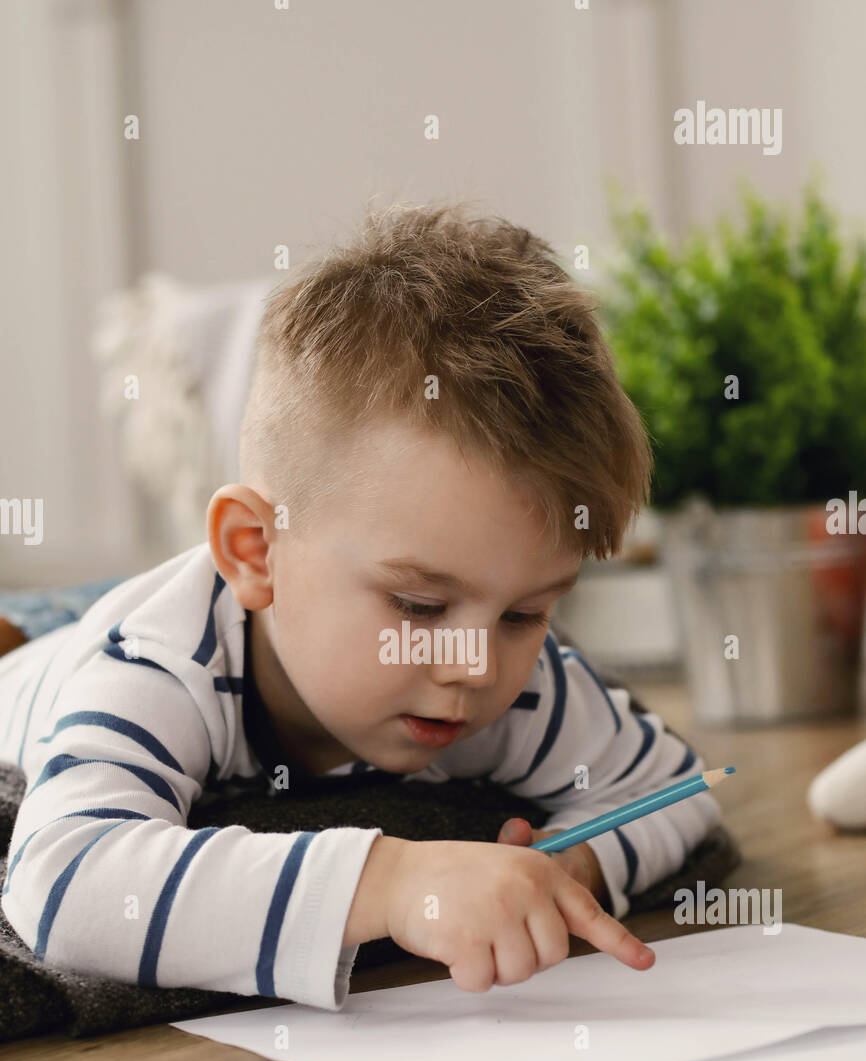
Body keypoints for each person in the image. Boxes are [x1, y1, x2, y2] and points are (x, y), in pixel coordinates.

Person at [0, 201, 723, 1009]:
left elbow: (675, 789)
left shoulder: (523, 682)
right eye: (418, 606)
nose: (475, 669)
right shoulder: (157, 663)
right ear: (254, 551)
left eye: (526, 613)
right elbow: (63, 886)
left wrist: (566, 864)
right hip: (44, 664)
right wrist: (395, 882)